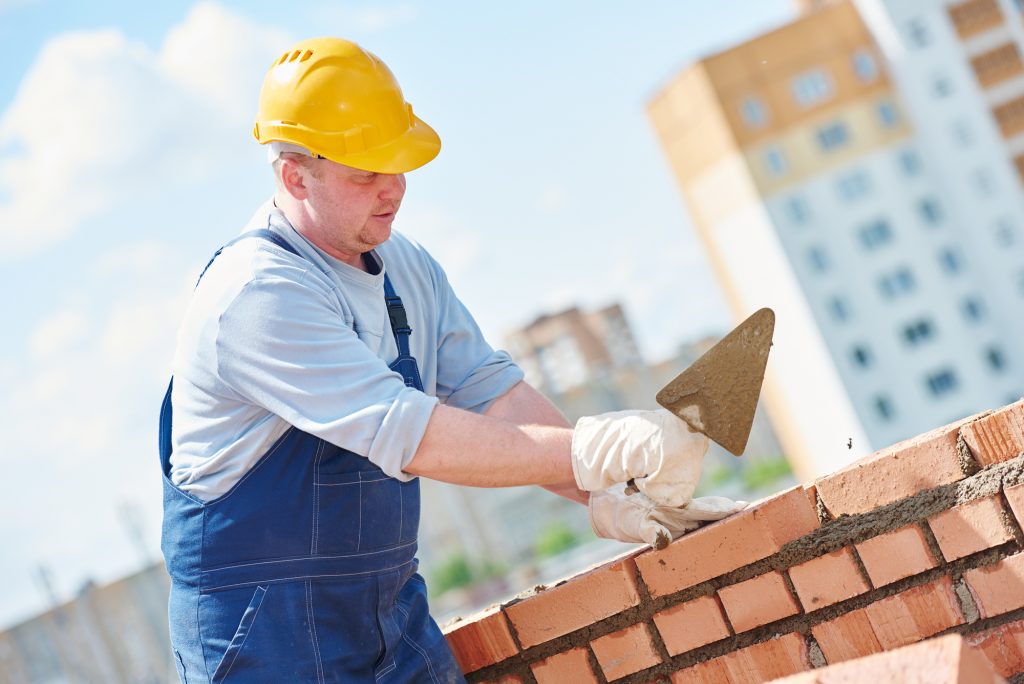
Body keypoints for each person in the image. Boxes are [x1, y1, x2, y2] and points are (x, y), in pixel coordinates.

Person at [158, 37, 745, 683]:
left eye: (397, 166)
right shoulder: (256, 295)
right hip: (265, 644)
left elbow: (490, 394)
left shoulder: (403, 266)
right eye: (365, 174)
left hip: (387, 616)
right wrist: (595, 448)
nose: (393, 190)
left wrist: (611, 493)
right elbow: (411, 435)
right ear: (295, 174)